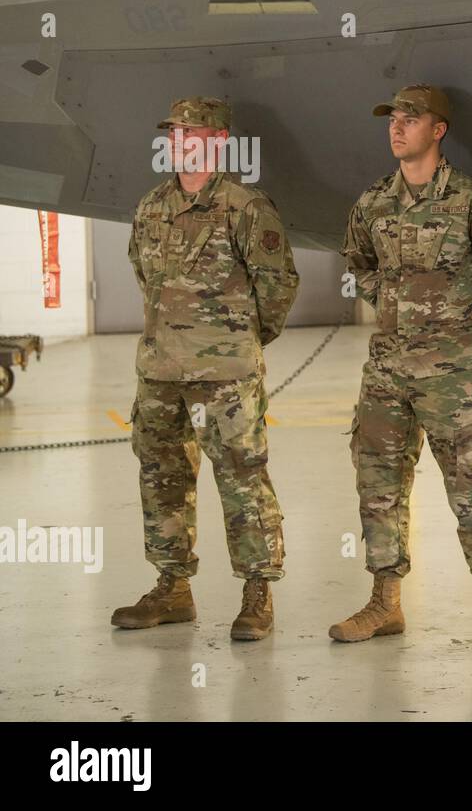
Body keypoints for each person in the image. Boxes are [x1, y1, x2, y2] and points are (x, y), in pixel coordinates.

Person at [330, 84, 472, 653]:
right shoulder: (372, 203)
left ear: (438, 130)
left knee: (471, 488)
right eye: (393, 118)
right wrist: (391, 307)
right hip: (387, 368)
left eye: (410, 119)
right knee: (379, 486)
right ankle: (384, 604)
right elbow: (359, 264)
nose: (397, 127)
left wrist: (463, 324)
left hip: (453, 374)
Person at [113, 96, 298, 641]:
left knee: (242, 477)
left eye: (190, 133)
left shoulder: (247, 208)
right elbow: (144, 277)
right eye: (173, 134)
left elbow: (278, 287)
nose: (179, 142)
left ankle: (258, 591)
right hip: (159, 370)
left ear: (218, 141)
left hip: (227, 374)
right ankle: (172, 588)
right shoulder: (151, 207)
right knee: (161, 476)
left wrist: (239, 341)